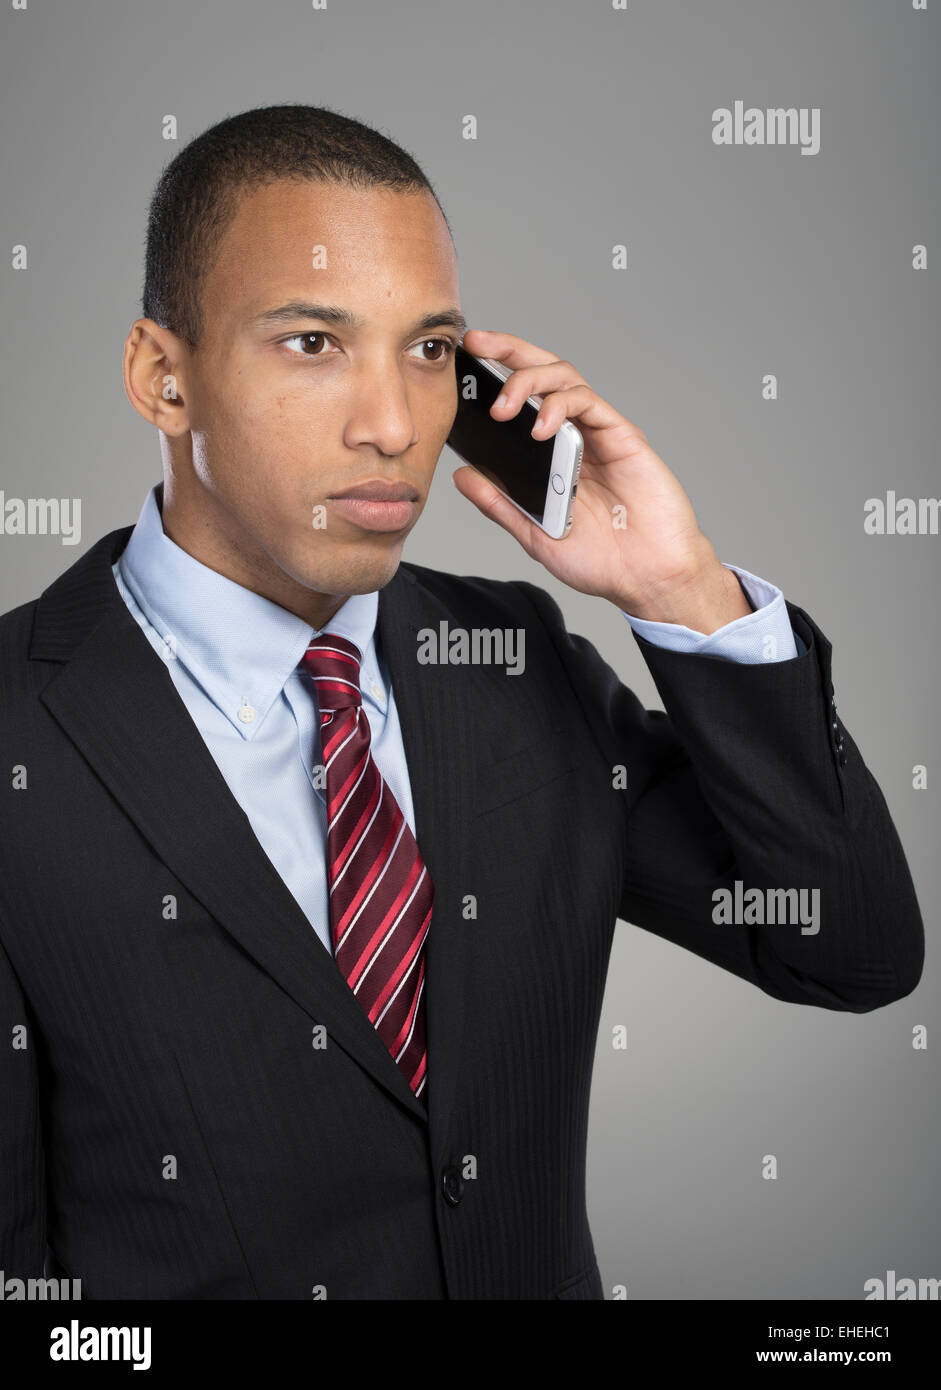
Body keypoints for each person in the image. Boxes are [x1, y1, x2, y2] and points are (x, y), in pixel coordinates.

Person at [0, 104, 923, 1300]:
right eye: (312, 344)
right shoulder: (24, 739)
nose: (393, 428)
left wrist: (679, 588)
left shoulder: (513, 659)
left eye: (428, 350)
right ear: (162, 378)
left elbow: (847, 949)